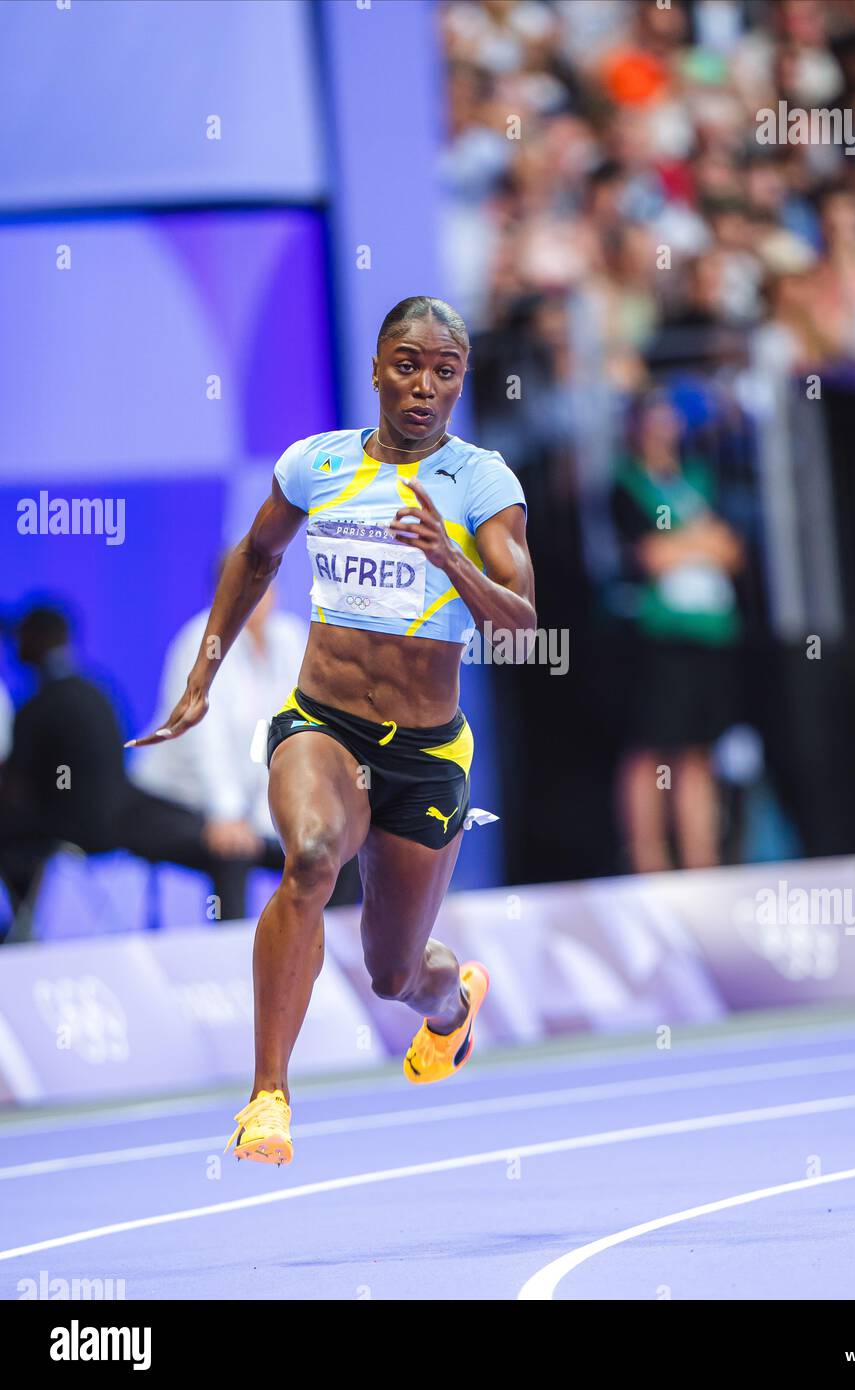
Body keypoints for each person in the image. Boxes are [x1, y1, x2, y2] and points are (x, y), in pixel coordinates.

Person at [131, 296, 535, 1166]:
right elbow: (255, 555)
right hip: (323, 724)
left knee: (393, 972)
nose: (424, 386)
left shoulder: (482, 483)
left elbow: (523, 624)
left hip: (426, 757)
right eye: (407, 364)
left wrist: (451, 557)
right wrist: (203, 675)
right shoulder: (315, 465)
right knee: (310, 856)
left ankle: (450, 1002)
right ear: (379, 366)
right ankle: (267, 1098)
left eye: (445, 371)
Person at [0, 606, 247, 941]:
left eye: (20, 639)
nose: (15, 648)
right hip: (118, 820)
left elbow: (16, 788)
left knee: (10, 835)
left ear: (34, 641)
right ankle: (232, 954)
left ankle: (17, 931)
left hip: (79, 831)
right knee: (225, 847)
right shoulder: (99, 690)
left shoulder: (36, 706)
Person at [131, 580, 359, 916]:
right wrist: (228, 813)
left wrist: (273, 819)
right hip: (175, 799)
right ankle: (235, 961)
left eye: (265, 585)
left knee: (339, 850)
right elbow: (206, 741)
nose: (257, 597)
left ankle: (324, 955)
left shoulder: (289, 639)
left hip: (253, 806)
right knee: (233, 850)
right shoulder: (199, 641)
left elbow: (298, 730)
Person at [610, 389, 743, 873]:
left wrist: (686, 545)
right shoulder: (625, 484)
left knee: (699, 750)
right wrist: (701, 542)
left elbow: (733, 549)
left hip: (708, 633)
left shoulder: (698, 480)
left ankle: (700, 862)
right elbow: (651, 556)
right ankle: (649, 863)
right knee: (650, 748)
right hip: (658, 637)